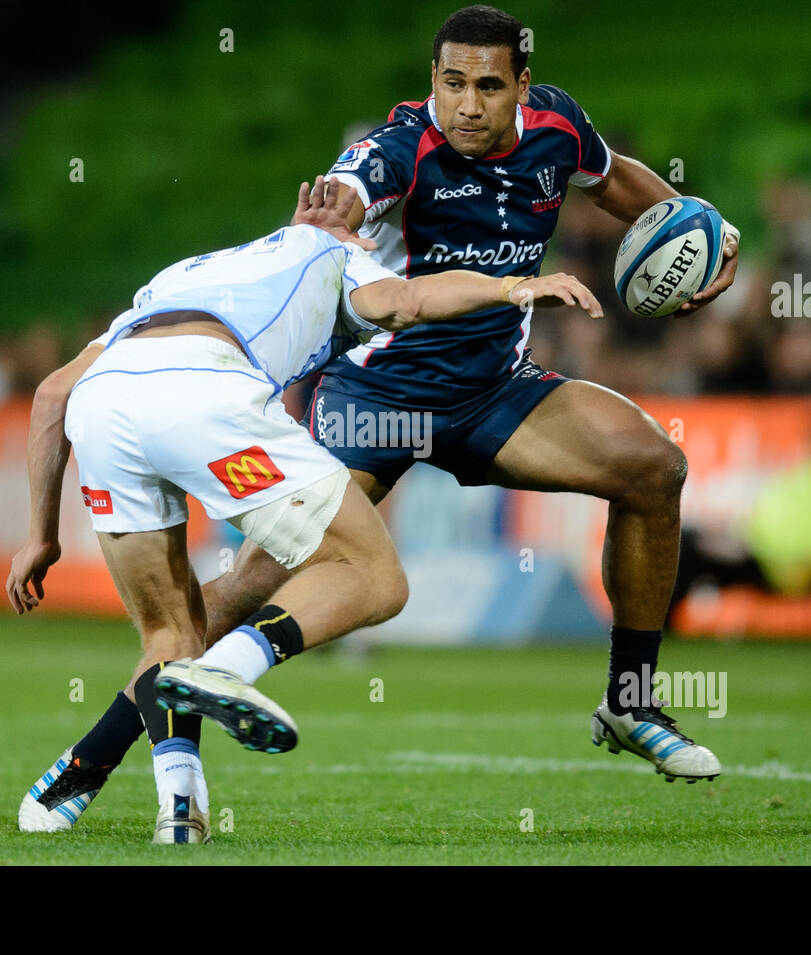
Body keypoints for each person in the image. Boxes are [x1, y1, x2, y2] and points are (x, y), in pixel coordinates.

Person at [196, 5, 739, 781]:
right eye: (453, 83)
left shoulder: (558, 129)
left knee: (655, 467)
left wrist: (702, 228)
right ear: (434, 82)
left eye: (489, 85)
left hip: (493, 392)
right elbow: (348, 196)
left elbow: (618, 183)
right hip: (375, 399)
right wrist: (326, 224)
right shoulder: (398, 149)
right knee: (256, 576)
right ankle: (126, 722)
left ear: (523, 85)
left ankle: (631, 700)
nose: (468, 104)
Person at [5, 177, 599, 843]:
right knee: (373, 575)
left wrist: (39, 535)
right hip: (208, 396)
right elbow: (412, 298)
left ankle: (165, 803)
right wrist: (512, 287)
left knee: (171, 633)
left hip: (107, 404)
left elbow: (54, 395)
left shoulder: (186, 273)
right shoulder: (342, 258)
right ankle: (232, 665)